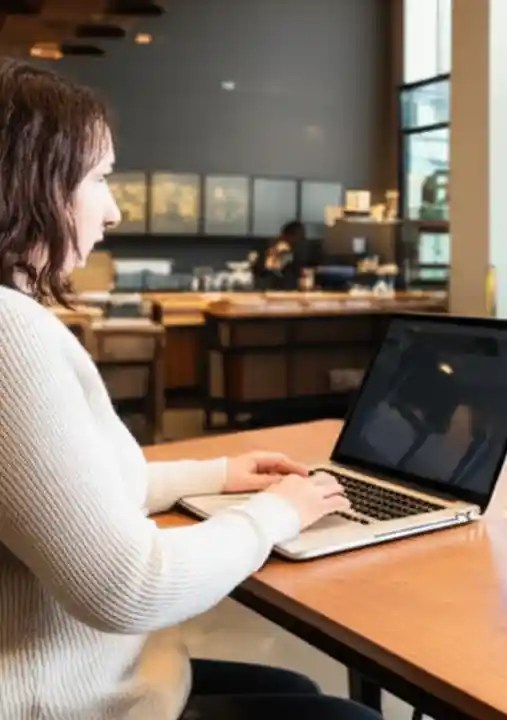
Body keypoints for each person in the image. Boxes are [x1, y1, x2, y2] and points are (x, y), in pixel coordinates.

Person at [0, 61, 376, 719]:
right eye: (100, 179)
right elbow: (128, 587)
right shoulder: (11, 337)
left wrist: (220, 472)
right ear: (28, 183)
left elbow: (63, 496)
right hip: (72, 700)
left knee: (301, 695)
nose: (113, 210)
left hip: (100, 672)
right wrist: (277, 514)